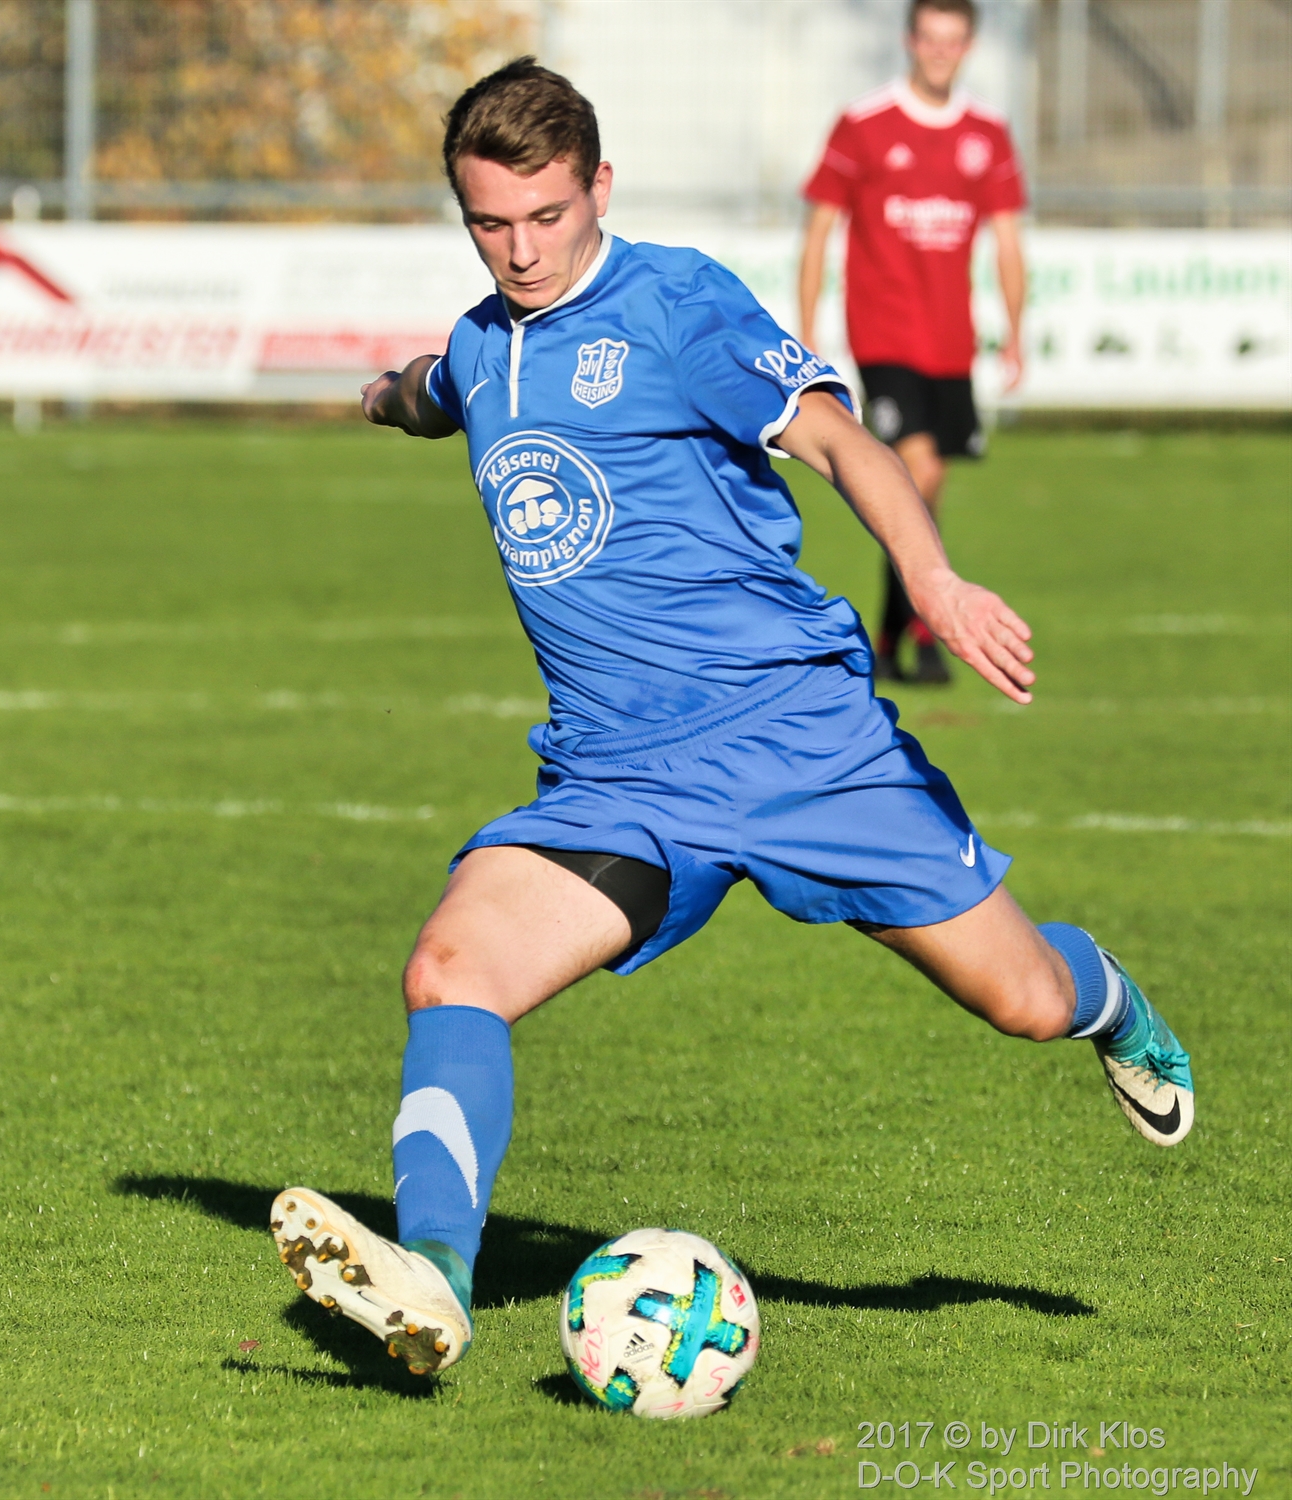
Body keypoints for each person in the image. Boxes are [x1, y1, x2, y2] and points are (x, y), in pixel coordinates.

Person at [270, 58, 1193, 1381]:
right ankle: (436, 1282)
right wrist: (388, 397)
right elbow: (445, 387)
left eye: (548, 217)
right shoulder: (485, 344)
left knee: (1026, 1001)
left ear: (599, 187)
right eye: (491, 225)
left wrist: (928, 579)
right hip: (617, 778)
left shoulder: (678, 304)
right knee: (450, 970)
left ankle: (1117, 1005)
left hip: (803, 745)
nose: (524, 252)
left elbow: (838, 441)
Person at [798, 0, 1026, 684]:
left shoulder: (987, 133)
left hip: (951, 342)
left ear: (968, 46)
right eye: (930, 39)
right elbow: (819, 232)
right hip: (885, 333)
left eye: (953, 42)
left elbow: (1008, 241)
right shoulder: (865, 124)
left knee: (929, 491)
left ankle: (894, 633)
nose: (940, 52)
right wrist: (807, 331)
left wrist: (1016, 331)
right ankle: (925, 630)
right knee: (916, 472)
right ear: (911, 41)